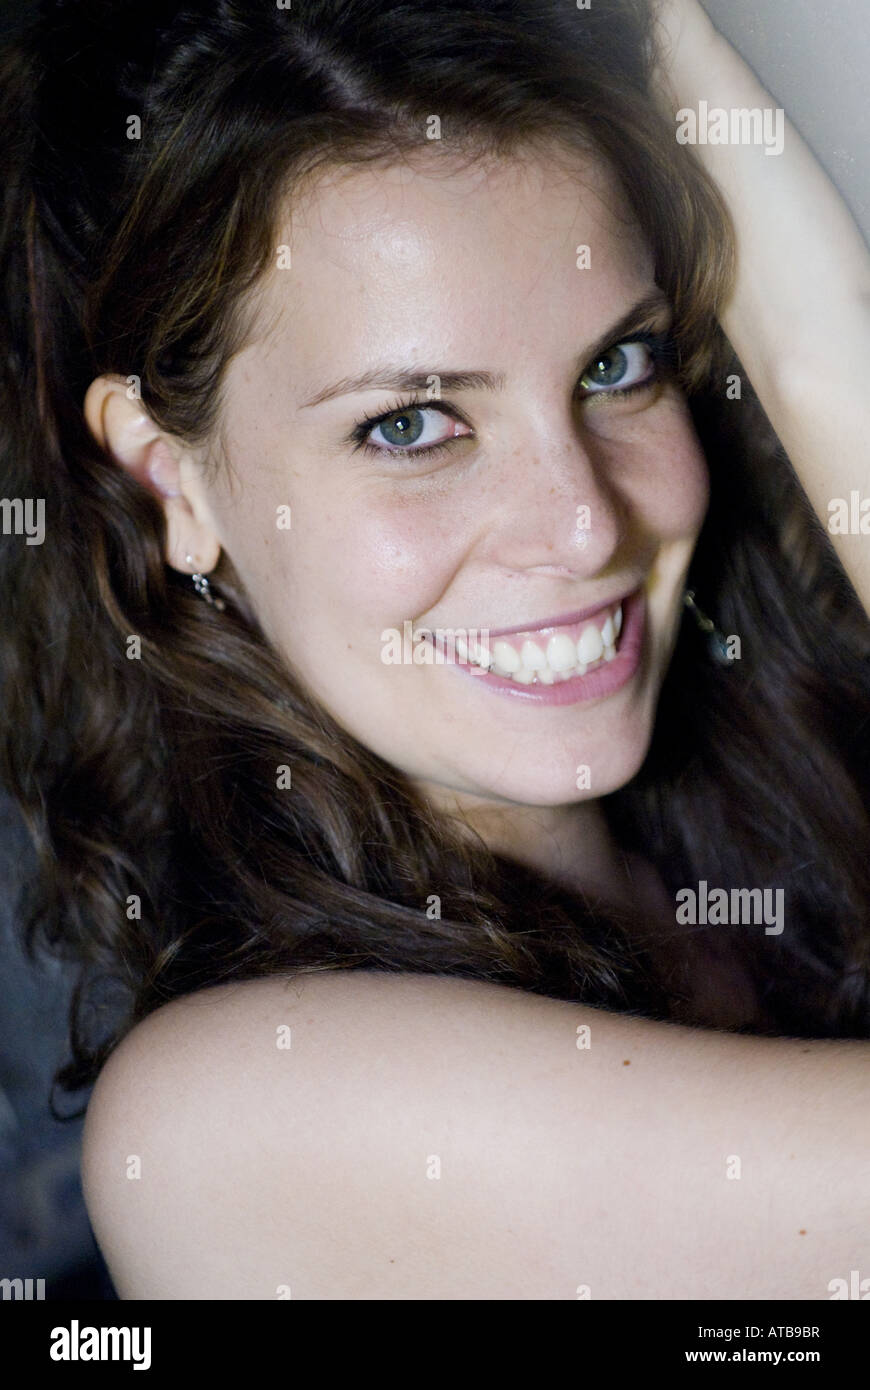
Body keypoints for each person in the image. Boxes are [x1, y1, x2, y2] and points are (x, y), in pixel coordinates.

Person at [1, 0, 868, 1299]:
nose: (584, 522)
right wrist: (813, 342)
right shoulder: (227, 1121)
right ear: (167, 475)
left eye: (616, 363)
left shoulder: (777, 812)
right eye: (410, 424)